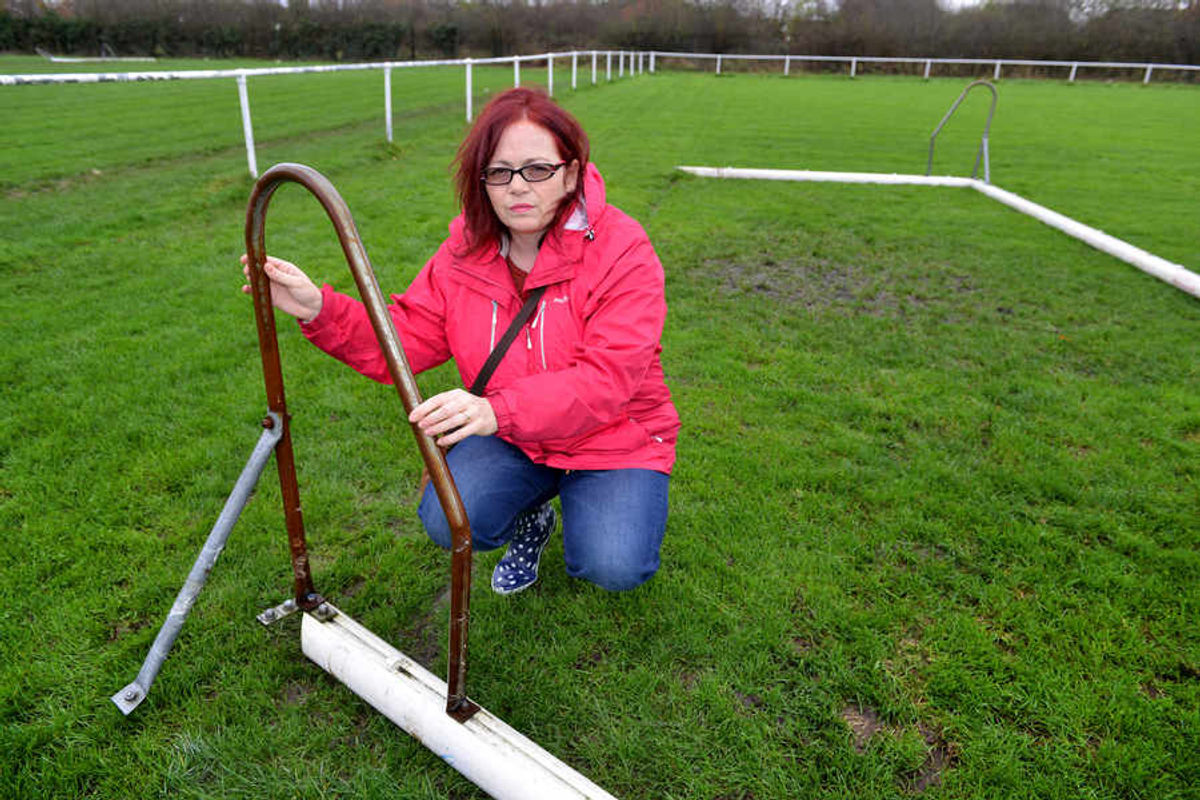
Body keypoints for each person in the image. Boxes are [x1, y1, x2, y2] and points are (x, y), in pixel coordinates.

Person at [242, 87, 679, 594]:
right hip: (518, 439)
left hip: (613, 437)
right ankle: (531, 517)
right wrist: (319, 307)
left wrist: (497, 412)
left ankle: (589, 504)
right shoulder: (463, 254)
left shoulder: (623, 250)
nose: (518, 187)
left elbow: (608, 379)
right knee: (448, 520)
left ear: (572, 173)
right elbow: (405, 339)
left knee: (614, 564)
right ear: (483, 181)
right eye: (499, 171)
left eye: (537, 169)